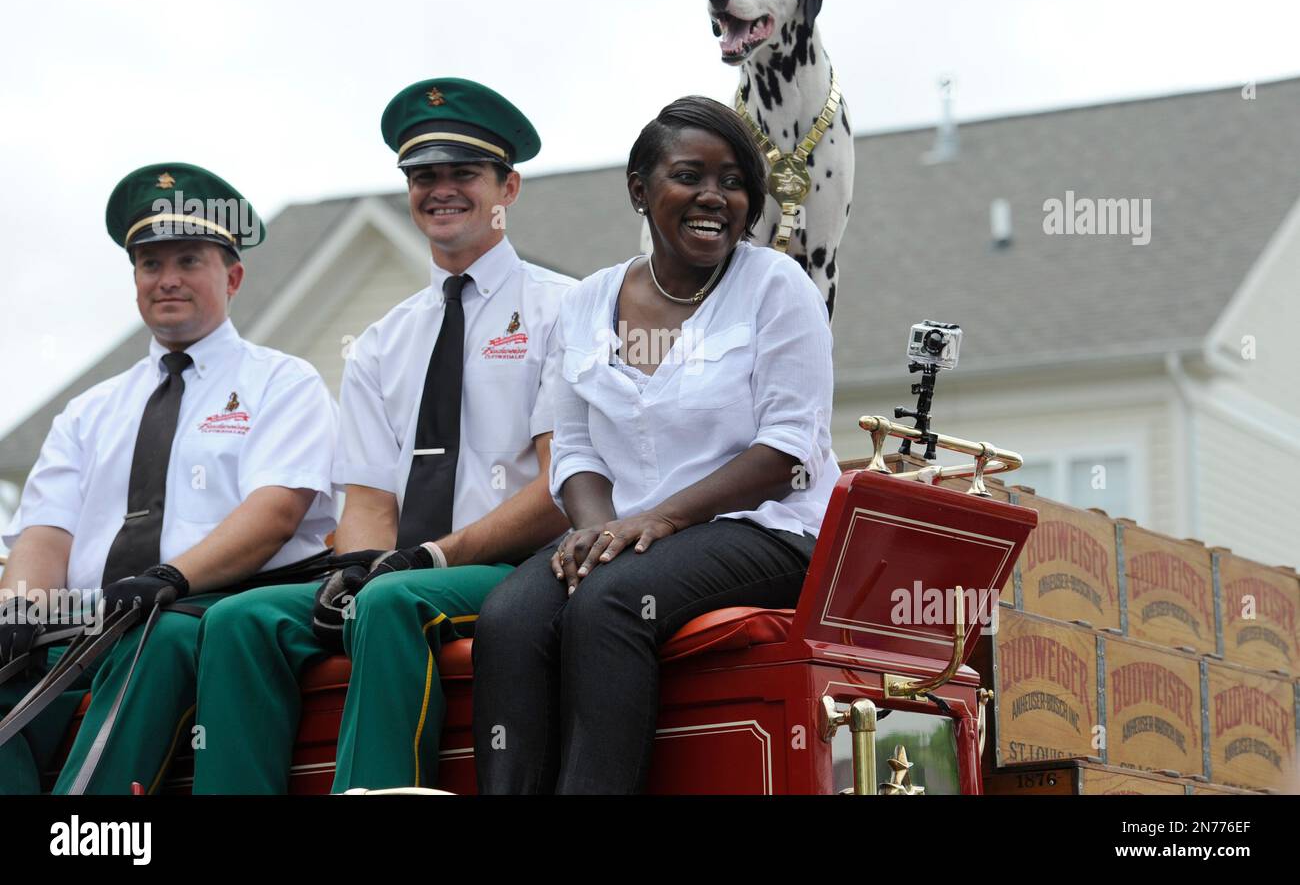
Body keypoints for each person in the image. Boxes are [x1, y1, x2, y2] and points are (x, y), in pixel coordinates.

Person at [191, 78, 574, 793]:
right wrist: (359, 568)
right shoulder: (377, 343)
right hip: (401, 573)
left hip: (517, 566)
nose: (442, 190)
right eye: (424, 176)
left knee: (392, 602)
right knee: (239, 620)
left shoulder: (566, 311)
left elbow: (561, 491)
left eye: (465, 173)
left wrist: (425, 559)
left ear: (508, 188)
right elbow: (367, 503)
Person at [471, 95, 838, 793]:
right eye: (690, 175)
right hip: (625, 533)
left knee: (609, 603)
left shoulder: (776, 286)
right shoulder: (587, 301)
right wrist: (596, 530)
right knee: (510, 618)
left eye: (734, 182)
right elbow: (574, 444)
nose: (714, 196)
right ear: (640, 189)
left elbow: (787, 448)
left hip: (762, 527)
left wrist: (657, 519)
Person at [0, 163, 337, 794]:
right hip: (91, 614)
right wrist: (21, 608)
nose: (168, 280)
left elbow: (274, 514)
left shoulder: (282, 382)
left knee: (152, 639)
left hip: (203, 605)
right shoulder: (90, 409)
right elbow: (45, 532)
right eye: (150, 264)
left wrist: (166, 579)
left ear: (232, 277)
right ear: (134, 281)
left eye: (189, 261)